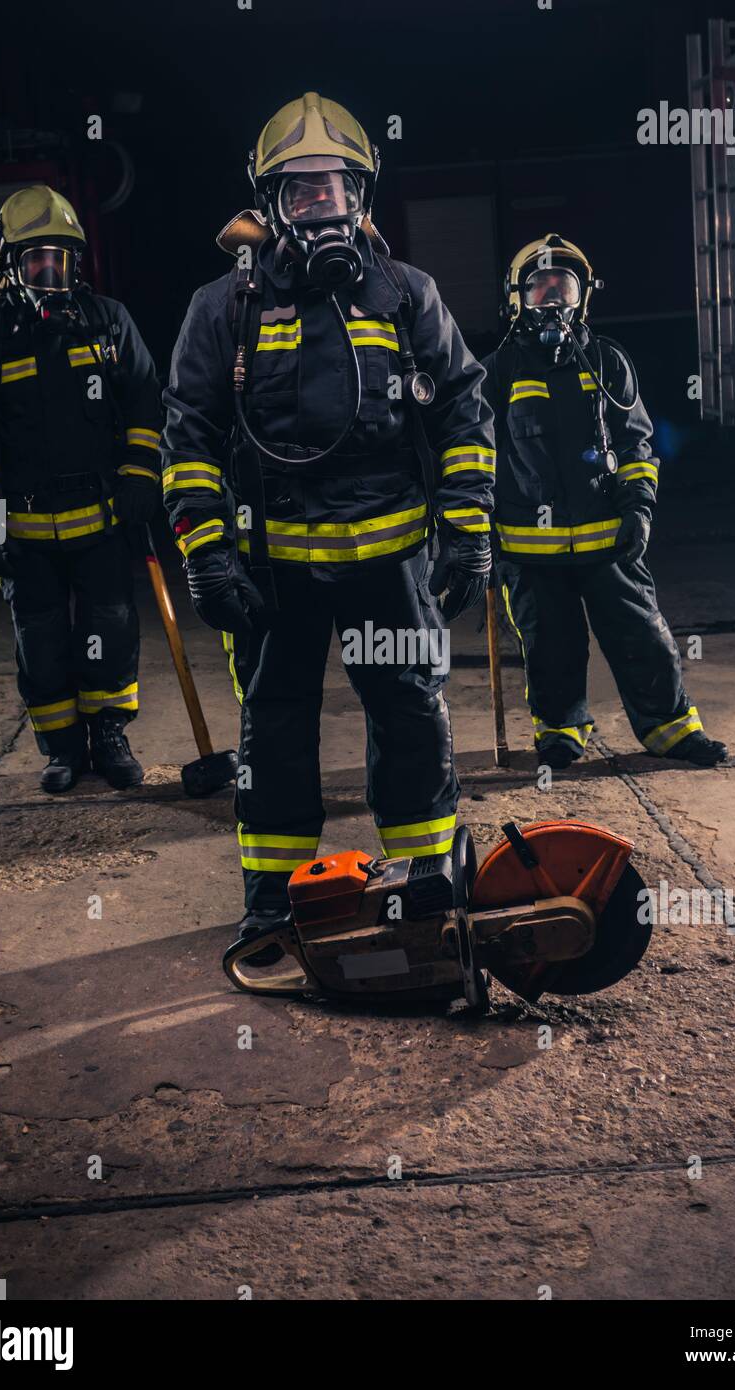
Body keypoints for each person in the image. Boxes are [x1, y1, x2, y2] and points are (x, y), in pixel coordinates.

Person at [161, 92, 495, 943]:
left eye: (336, 189)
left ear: (363, 196)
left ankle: (426, 878)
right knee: (273, 728)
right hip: (275, 573)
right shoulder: (223, 310)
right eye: (303, 192)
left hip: (392, 565)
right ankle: (275, 901)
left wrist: (466, 526)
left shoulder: (406, 296)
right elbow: (189, 436)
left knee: (412, 713)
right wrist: (206, 552)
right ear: (270, 204)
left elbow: (463, 409)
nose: (322, 208)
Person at [0, 185, 162, 791]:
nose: (50, 273)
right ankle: (62, 749)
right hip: (25, 530)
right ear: (10, 269)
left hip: (102, 519)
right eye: (37, 260)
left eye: (60, 259)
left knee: (109, 630)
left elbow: (145, 400)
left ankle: (110, 738)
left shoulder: (108, 324)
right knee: (40, 642)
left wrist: (141, 476)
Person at [482, 234, 726, 769]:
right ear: (516, 298)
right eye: (540, 286)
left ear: (583, 297)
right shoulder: (494, 373)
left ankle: (671, 730)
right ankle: (561, 734)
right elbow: (478, 458)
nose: (552, 298)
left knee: (644, 635)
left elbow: (636, 442)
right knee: (549, 649)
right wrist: (475, 535)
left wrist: (638, 507)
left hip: (608, 541)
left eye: (564, 286)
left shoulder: (607, 362)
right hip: (529, 552)